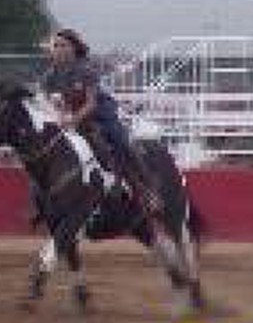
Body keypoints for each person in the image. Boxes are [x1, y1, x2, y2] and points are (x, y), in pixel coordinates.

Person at [35, 28, 163, 216]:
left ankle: (149, 189)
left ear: (74, 48)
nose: (58, 49)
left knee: (121, 142)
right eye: (56, 46)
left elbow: (91, 104)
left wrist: (73, 120)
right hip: (71, 118)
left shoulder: (85, 70)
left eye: (63, 45)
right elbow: (50, 101)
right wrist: (60, 116)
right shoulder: (49, 76)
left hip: (101, 115)